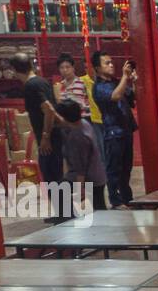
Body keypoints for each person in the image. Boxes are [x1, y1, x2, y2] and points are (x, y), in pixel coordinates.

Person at [11, 53, 65, 222]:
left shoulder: (31, 86)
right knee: (54, 174)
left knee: (51, 175)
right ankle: (63, 212)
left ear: (14, 70)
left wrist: (45, 136)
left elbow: (48, 109)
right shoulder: (41, 81)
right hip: (53, 134)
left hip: (50, 137)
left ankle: (64, 214)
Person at [90, 50, 137, 209]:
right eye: (107, 63)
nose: (111, 65)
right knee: (114, 168)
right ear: (97, 68)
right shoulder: (98, 87)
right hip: (113, 132)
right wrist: (125, 77)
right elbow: (115, 96)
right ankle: (115, 201)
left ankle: (127, 198)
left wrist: (133, 80)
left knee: (126, 168)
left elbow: (132, 97)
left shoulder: (117, 81)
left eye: (111, 62)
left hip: (126, 130)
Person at [55, 101, 106, 214]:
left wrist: (80, 189)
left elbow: (81, 168)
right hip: (98, 175)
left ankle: (65, 221)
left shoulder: (77, 137)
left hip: (90, 179)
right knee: (99, 209)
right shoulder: (84, 123)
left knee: (58, 190)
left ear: (65, 117)